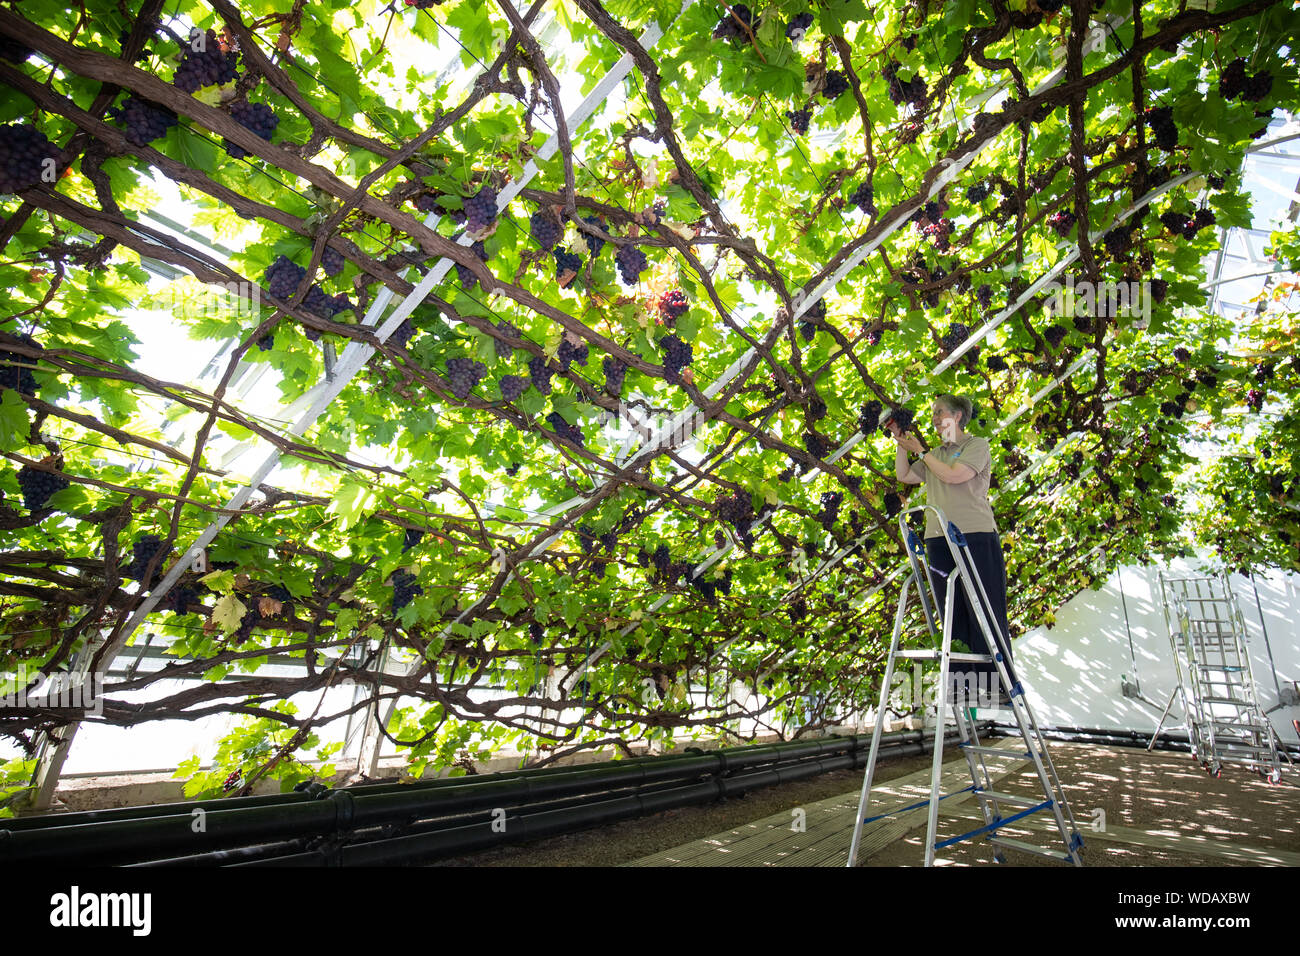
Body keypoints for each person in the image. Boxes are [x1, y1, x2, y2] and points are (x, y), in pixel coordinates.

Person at [890, 394, 1016, 708]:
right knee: (952, 613)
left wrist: (921, 451)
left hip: (974, 535)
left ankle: (998, 687)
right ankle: (963, 688)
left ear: (958, 416)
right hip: (938, 539)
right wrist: (900, 442)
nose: (934, 418)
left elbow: (955, 475)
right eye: (933, 412)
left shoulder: (976, 446)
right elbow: (903, 476)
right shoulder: (934, 454)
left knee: (984, 610)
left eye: (939, 412)